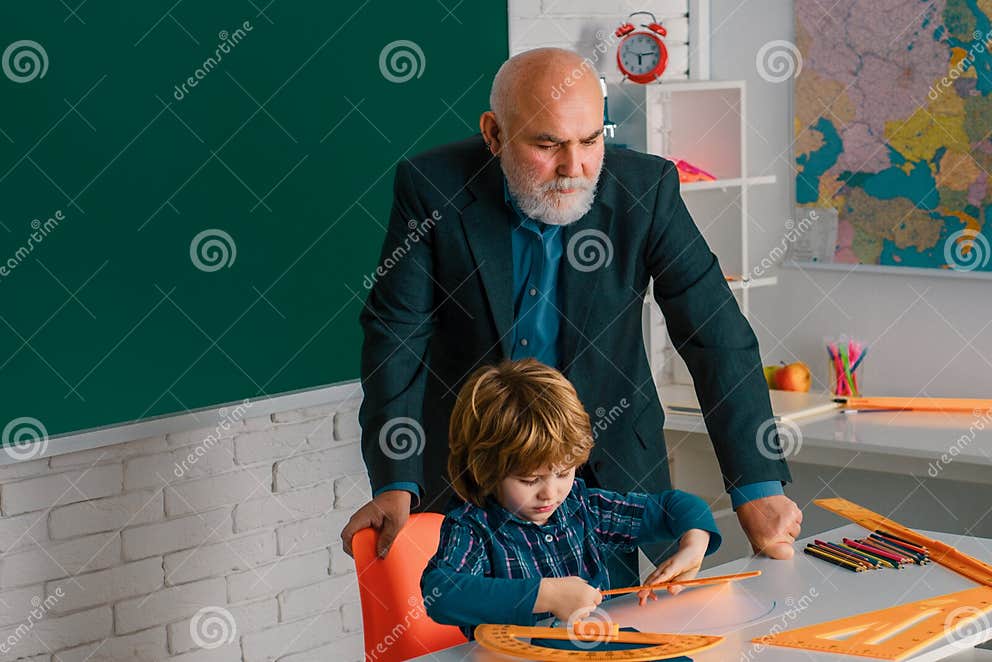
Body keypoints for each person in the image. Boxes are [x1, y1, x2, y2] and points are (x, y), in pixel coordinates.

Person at [342, 47, 801, 589]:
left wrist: (758, 485)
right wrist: (396, 478)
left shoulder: (644, 190)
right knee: (477, 635)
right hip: (474, 474)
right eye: (547, 144)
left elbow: (715, 336)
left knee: (607, 632)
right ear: (493, 134)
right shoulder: (433, 187)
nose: (574, 167)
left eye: (590, 140)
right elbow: (397, 336)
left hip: (605, 473)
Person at [420, 359, 721, 640]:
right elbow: (441, 593)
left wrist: (694, 545)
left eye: (563, 473)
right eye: (529, 480)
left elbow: (677, 508)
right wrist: (545, 594)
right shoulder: (472, 524)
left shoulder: (581, 506)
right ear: (484, 469)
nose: (550, 493)